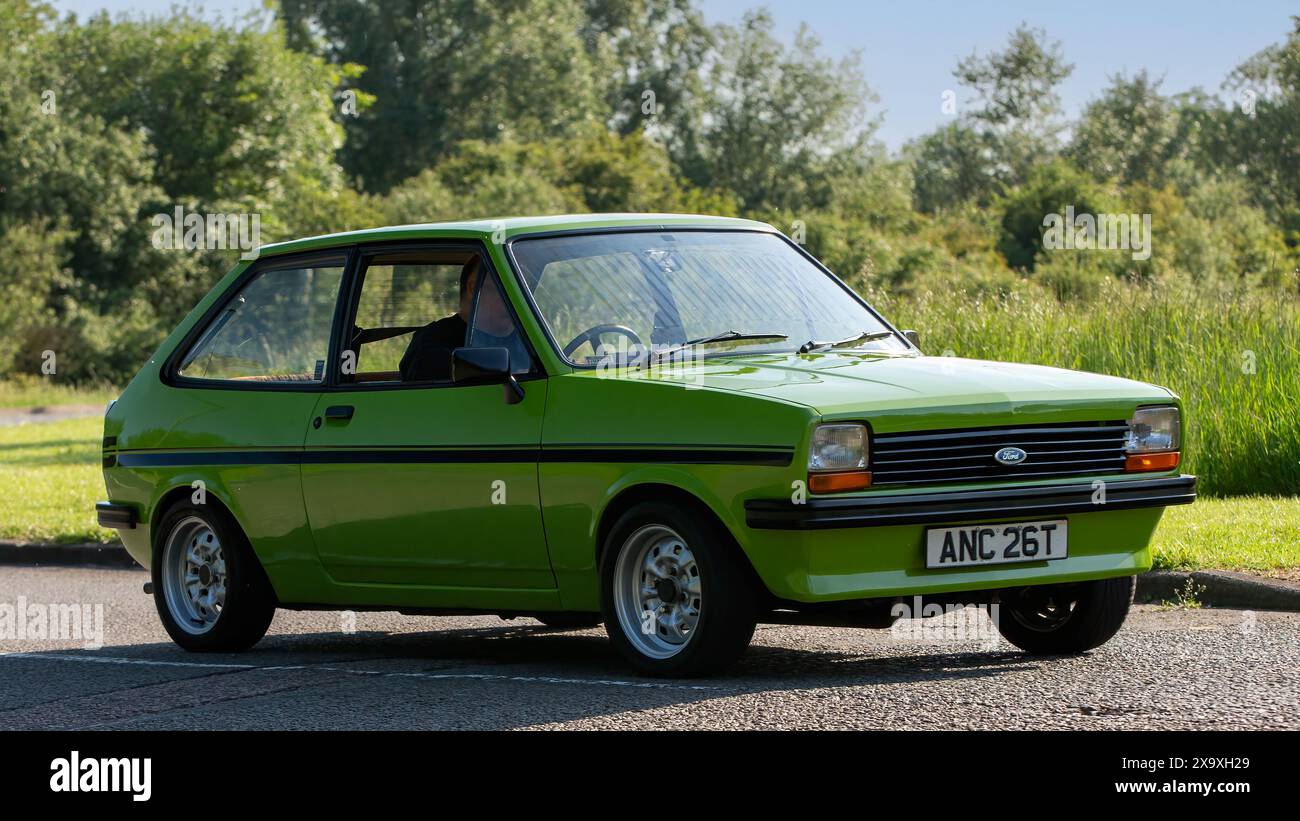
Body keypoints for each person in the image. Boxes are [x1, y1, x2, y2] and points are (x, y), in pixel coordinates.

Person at [399, 256, 530, 381]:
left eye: (523, 288)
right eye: (510, 287)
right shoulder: (432, 341)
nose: (519, 297)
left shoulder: (530, 340)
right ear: (474, 289)